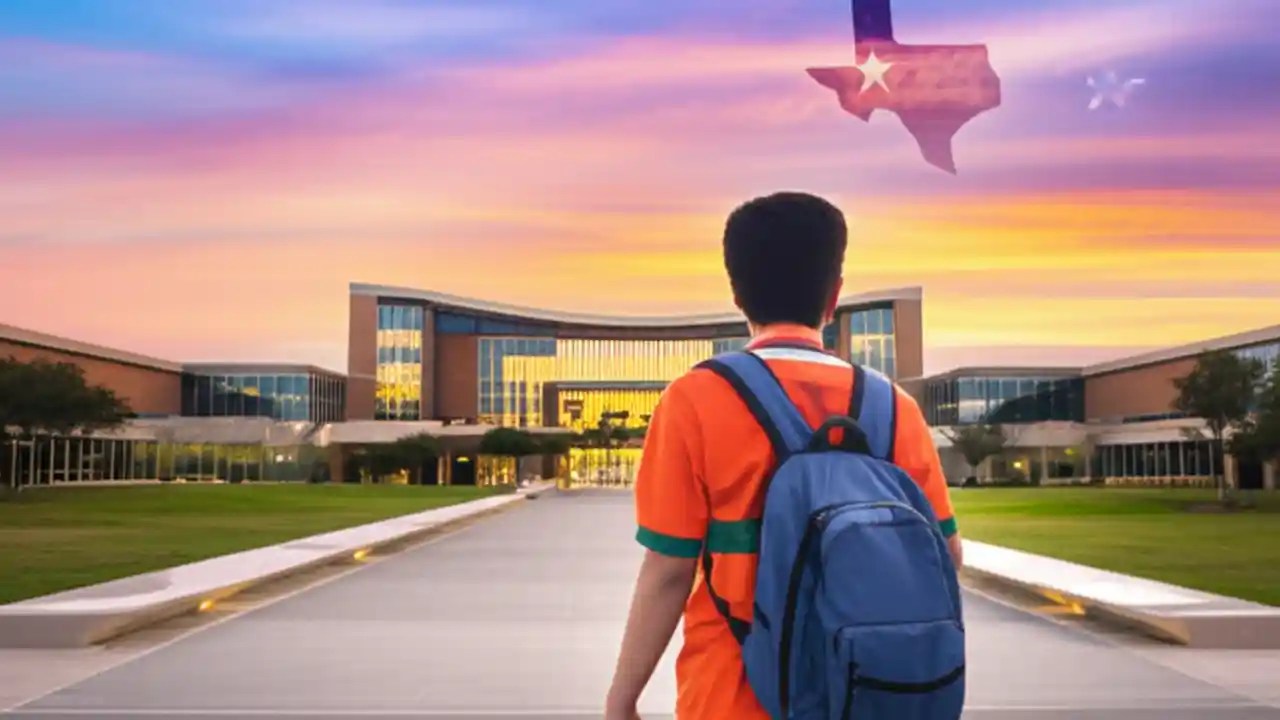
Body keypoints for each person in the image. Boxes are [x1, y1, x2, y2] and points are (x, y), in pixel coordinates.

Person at [604, 191, 962, 720]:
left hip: (729, 696)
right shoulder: (894, 407)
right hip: (867, 696)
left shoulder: (695, 399)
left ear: (737, 294)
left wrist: (622, 701)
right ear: (833, 294)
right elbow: (946, 557)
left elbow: (668, 570)